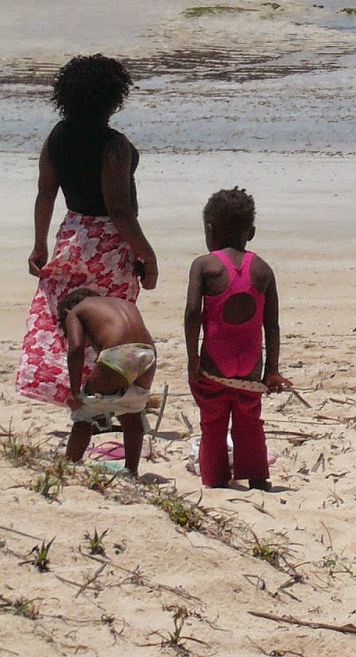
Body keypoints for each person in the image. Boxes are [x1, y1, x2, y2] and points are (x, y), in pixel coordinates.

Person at [17, 55, 158, 407]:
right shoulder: (114, 145)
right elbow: (120, 210)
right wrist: (147, 254)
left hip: (72, 235)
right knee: (110, 323)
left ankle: (74, 394)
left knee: (64, 320)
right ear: (114, 98)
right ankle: (103, 398)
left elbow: (46, 192)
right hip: (109, 243)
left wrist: (39, 245)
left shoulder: (57, 137)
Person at [184, 188, 291, 490]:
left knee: (213, 422)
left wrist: (193, 358)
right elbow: (272, 325)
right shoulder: (263, 269)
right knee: (249, 421)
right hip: (250, 365)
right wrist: (271, 369)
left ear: (209, 230)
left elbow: (193, 313)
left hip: (214, 363)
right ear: (252, 232)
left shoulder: (204, 266)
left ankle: (216, 480)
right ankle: (258, 479)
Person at [57, 289, 156, 476]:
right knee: (132, 412)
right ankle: (131, 470)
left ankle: (69, 465)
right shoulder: (123, 304)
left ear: (66, 311)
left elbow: (76, 348)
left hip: (120, 353)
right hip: (148, 354)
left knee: (84, 411)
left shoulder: (75, 312)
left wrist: (74, 391)